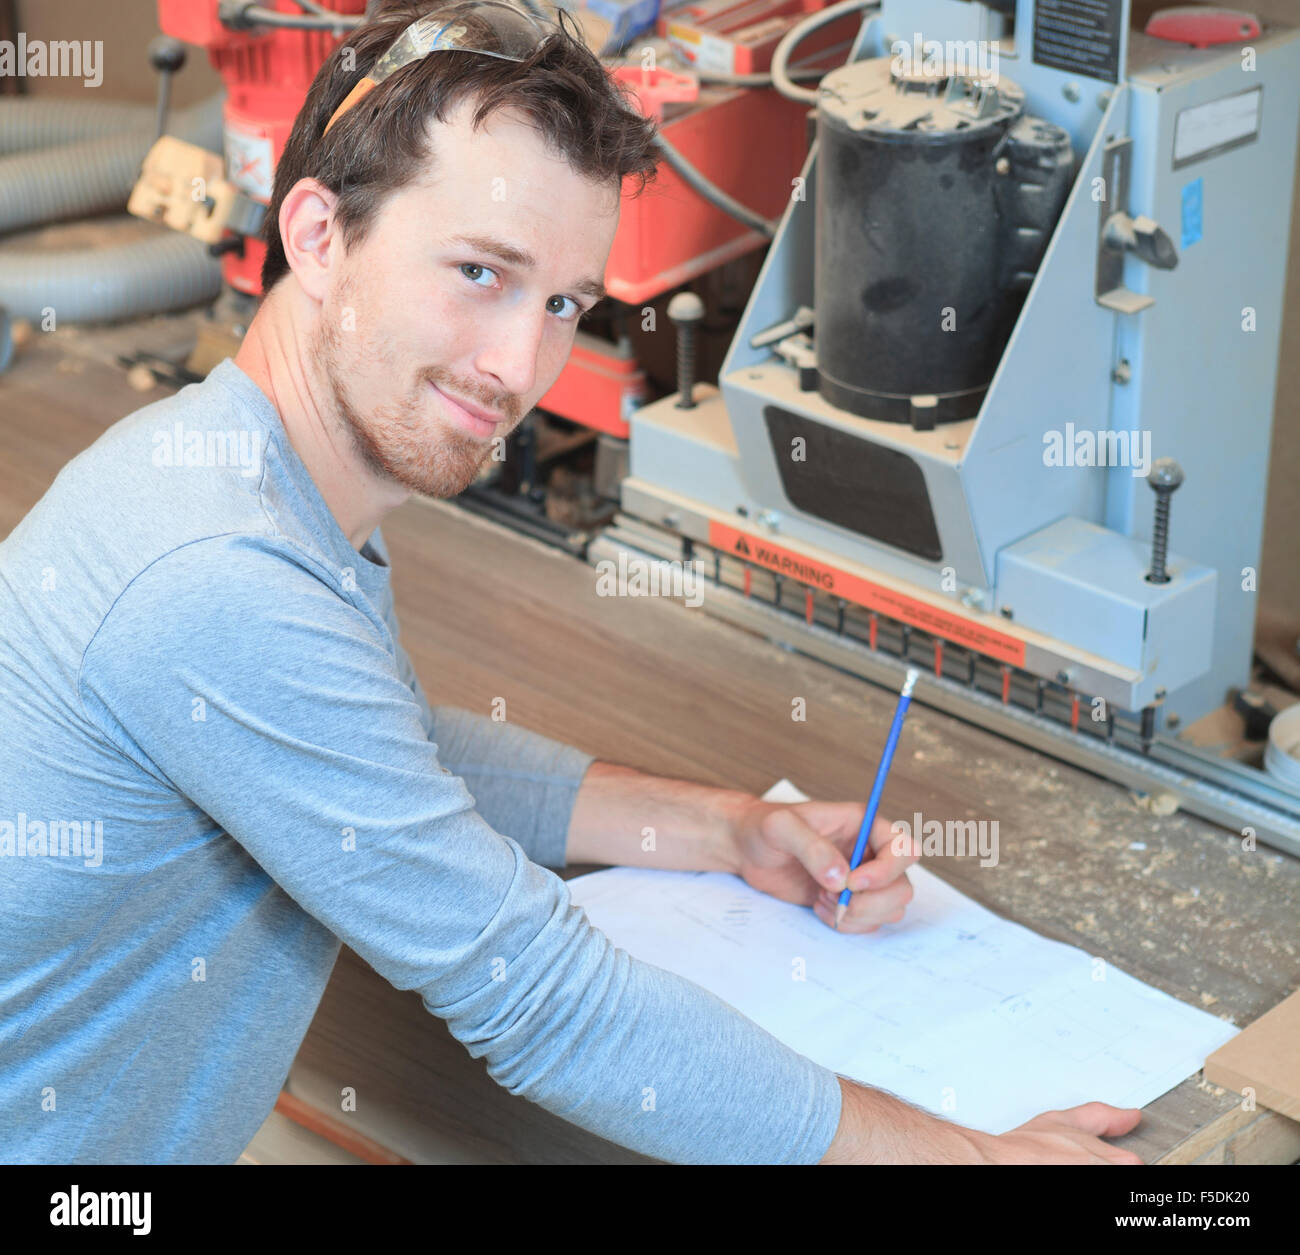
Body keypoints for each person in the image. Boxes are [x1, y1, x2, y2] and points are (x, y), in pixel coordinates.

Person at [0, 0, 1142, 1165]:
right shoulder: (219, 574)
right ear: (319, 235)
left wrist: (727, 830)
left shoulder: (238, 474)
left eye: (560, 303)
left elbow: (389, 752)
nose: (516, 366)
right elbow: (540, 997)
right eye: (478, 271)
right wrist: (973, 1159)